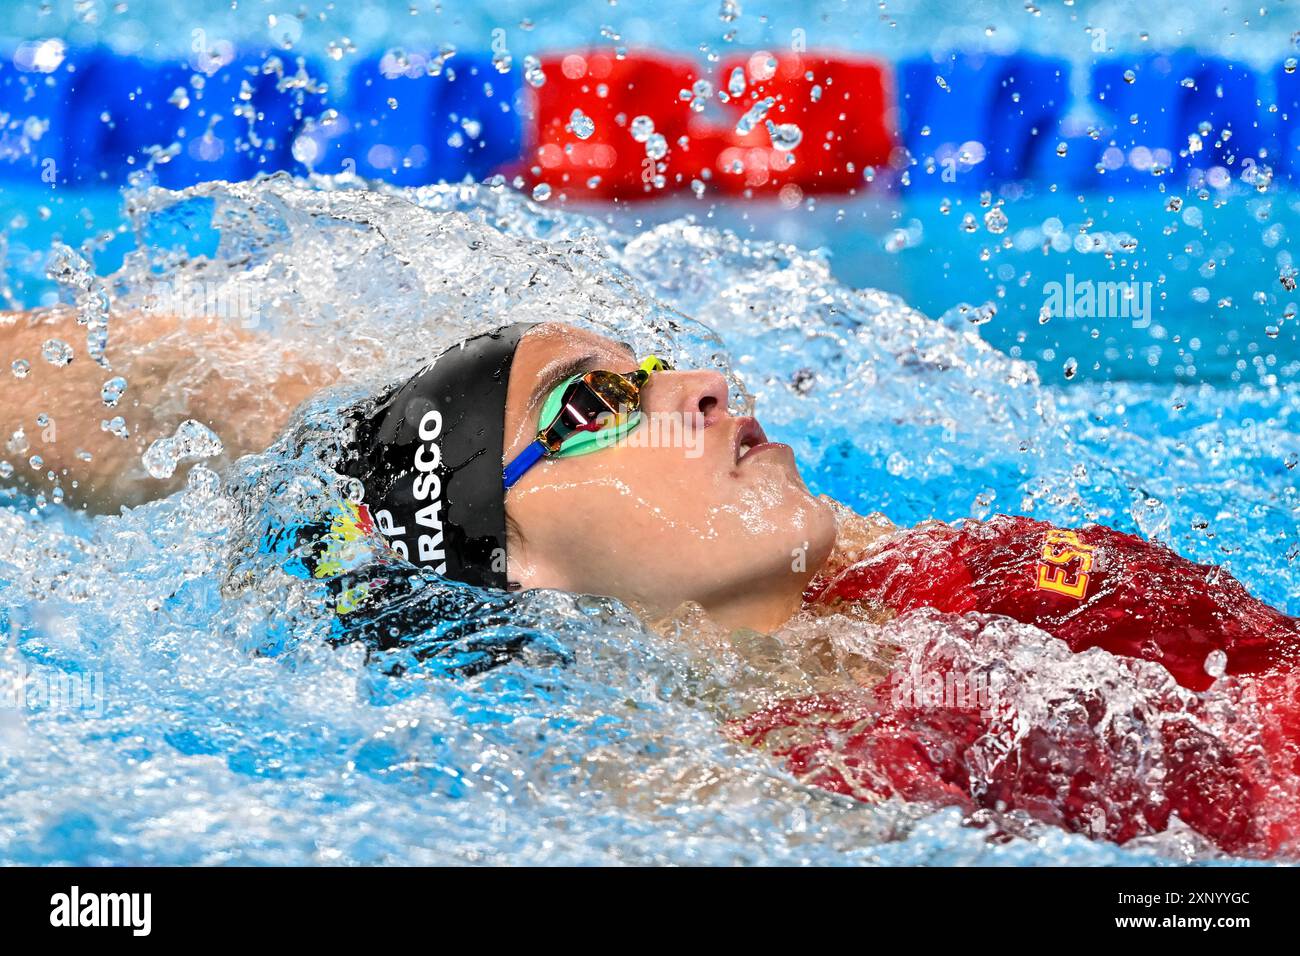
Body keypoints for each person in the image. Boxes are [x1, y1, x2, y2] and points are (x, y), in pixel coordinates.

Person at [4, 308, 1299, 855]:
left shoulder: (884, 591)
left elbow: (234, 388)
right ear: (525, 577)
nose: (704, 390)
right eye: (591, 409)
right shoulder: (822, 757)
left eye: (653, 365)